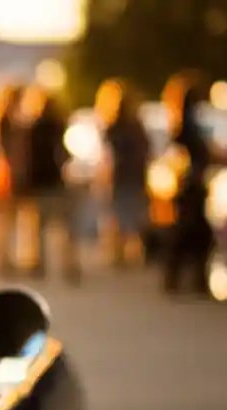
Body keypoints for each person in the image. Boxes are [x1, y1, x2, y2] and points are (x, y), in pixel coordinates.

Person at [13, 84, 79, 283]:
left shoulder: (32, 128)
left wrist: (23, 183)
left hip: (38, 182)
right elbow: (64, 154)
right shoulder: (58, 126)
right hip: (55, 181)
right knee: (64, 227)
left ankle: (38, 264)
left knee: (37, 229)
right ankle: (69, 265)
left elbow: (25, 158)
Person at [160, 72, 212, 293]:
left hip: (187, 184)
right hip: (190, 185)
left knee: (192, 232)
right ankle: (183, 278)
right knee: (190, 232)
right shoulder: (186, 125)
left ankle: (185, 278)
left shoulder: (182, 123)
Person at [95, 78, 151, 268]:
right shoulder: (136, 126)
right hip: (133, 177)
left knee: (118, 216)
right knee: (131, 217)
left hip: (121, 178)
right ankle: (130, 254)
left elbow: (108, 157)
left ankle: (120, 254)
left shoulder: (114, 128)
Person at [0, 81, 23, 276]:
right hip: (7, 174)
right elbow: (3, 149)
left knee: (6, 219)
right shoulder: (4, 120)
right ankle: (2, 257)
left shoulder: (4, 118)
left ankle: (4, 256)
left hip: (5, 173)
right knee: (4, 219)